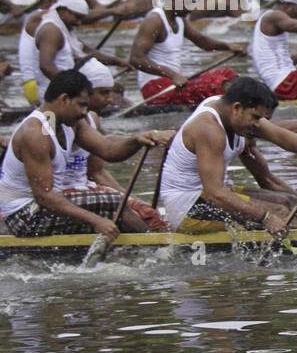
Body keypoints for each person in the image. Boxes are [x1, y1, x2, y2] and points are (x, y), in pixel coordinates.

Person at [0, 69, 171, 241]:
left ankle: (144, 242)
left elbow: (109, 150)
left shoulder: (72, 123)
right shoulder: (35, 133)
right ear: (64, 99)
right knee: (113, 200)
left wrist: (138, 140)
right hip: (24, 215)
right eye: (81, 105)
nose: (84, 112)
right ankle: (155, 247)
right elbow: (44, 196)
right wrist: (96, 220)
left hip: (47, 204)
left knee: (136, 207)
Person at [158, 76, 297, 235]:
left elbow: (281, 137)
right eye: (255, 118)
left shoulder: (233, 111)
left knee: (288, 201)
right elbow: (215, 194)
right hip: (188, 209)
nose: (257, 125)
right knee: (278, 211)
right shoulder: (209, 129)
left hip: (212, 196)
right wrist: (265, 217)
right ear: (237, 108)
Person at [128, 0, 245, 107]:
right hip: (156, 88)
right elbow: (136, 59)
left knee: (227, 74)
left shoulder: (180, 19)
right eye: (189, 0)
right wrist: (172, 75)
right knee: (216, 85)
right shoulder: (154, 20)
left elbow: (203, 42)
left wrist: (228, 46)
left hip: (175, 82)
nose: (193, 5)